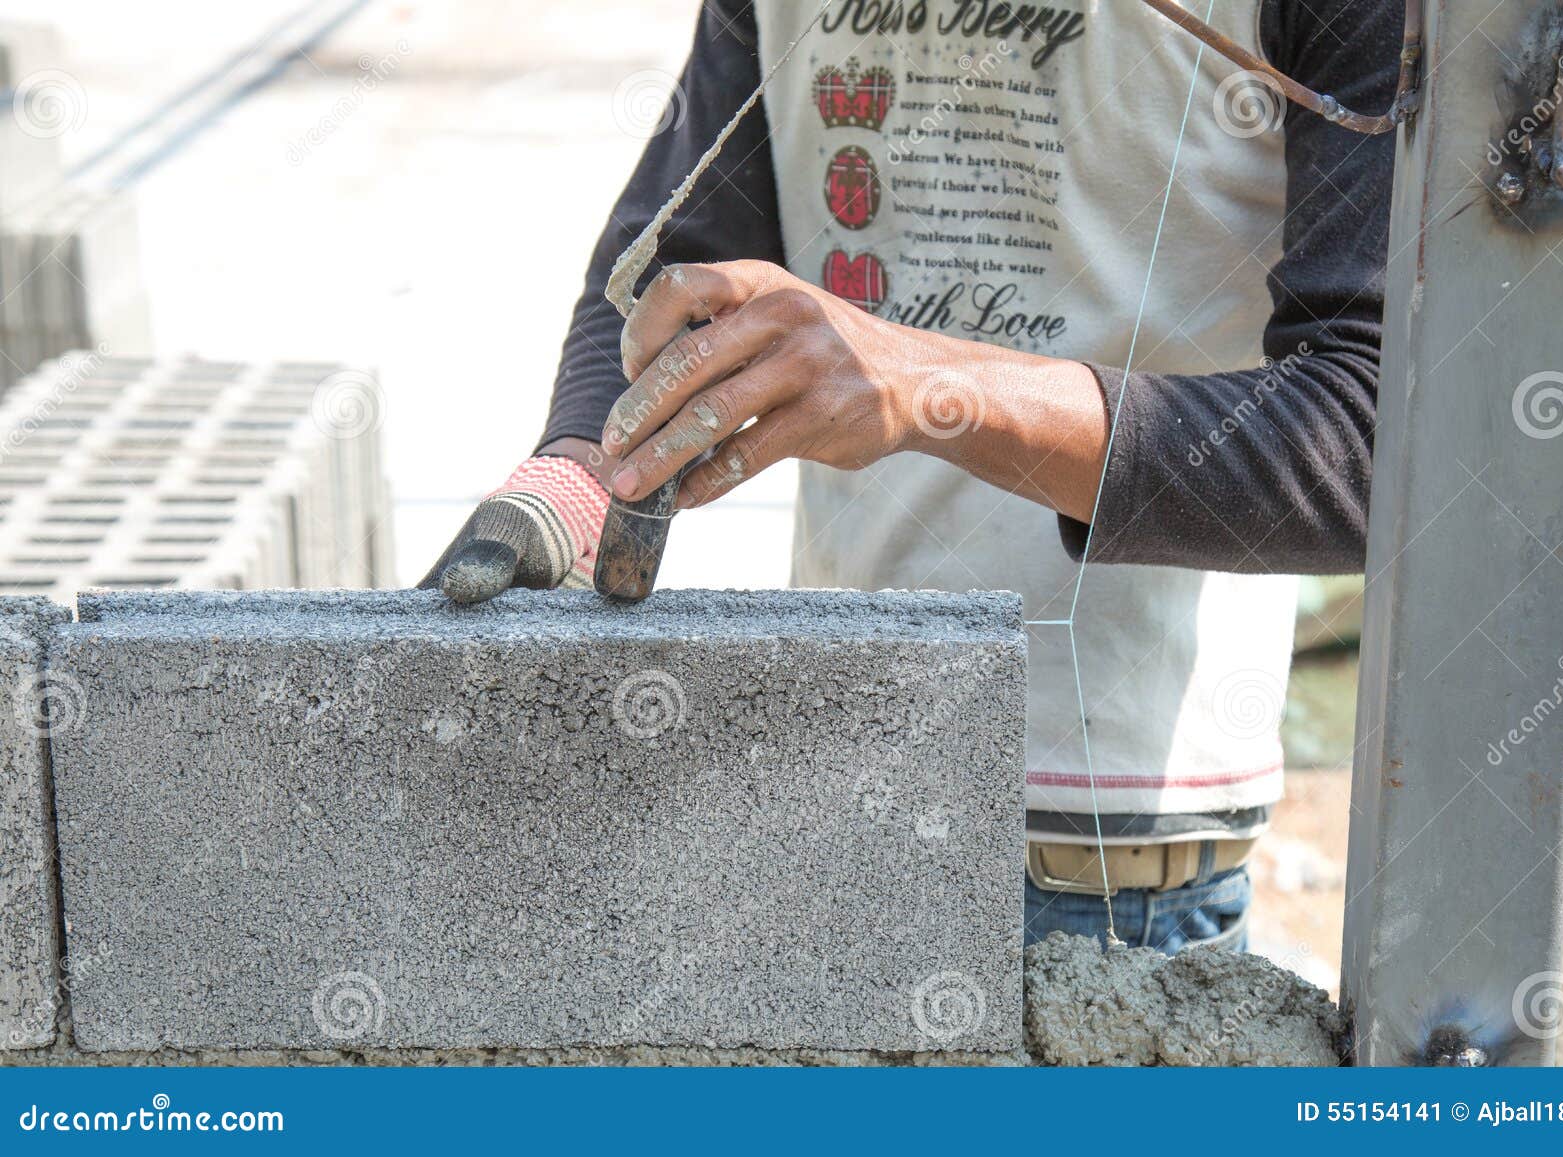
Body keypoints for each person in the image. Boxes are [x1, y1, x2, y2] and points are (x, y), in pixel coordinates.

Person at [424, 0, 1403, 954]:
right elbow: (675, 267)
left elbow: (1365, 441)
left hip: (1099, 861)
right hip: (826, 778)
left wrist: (927, 387)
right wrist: (581, 473)